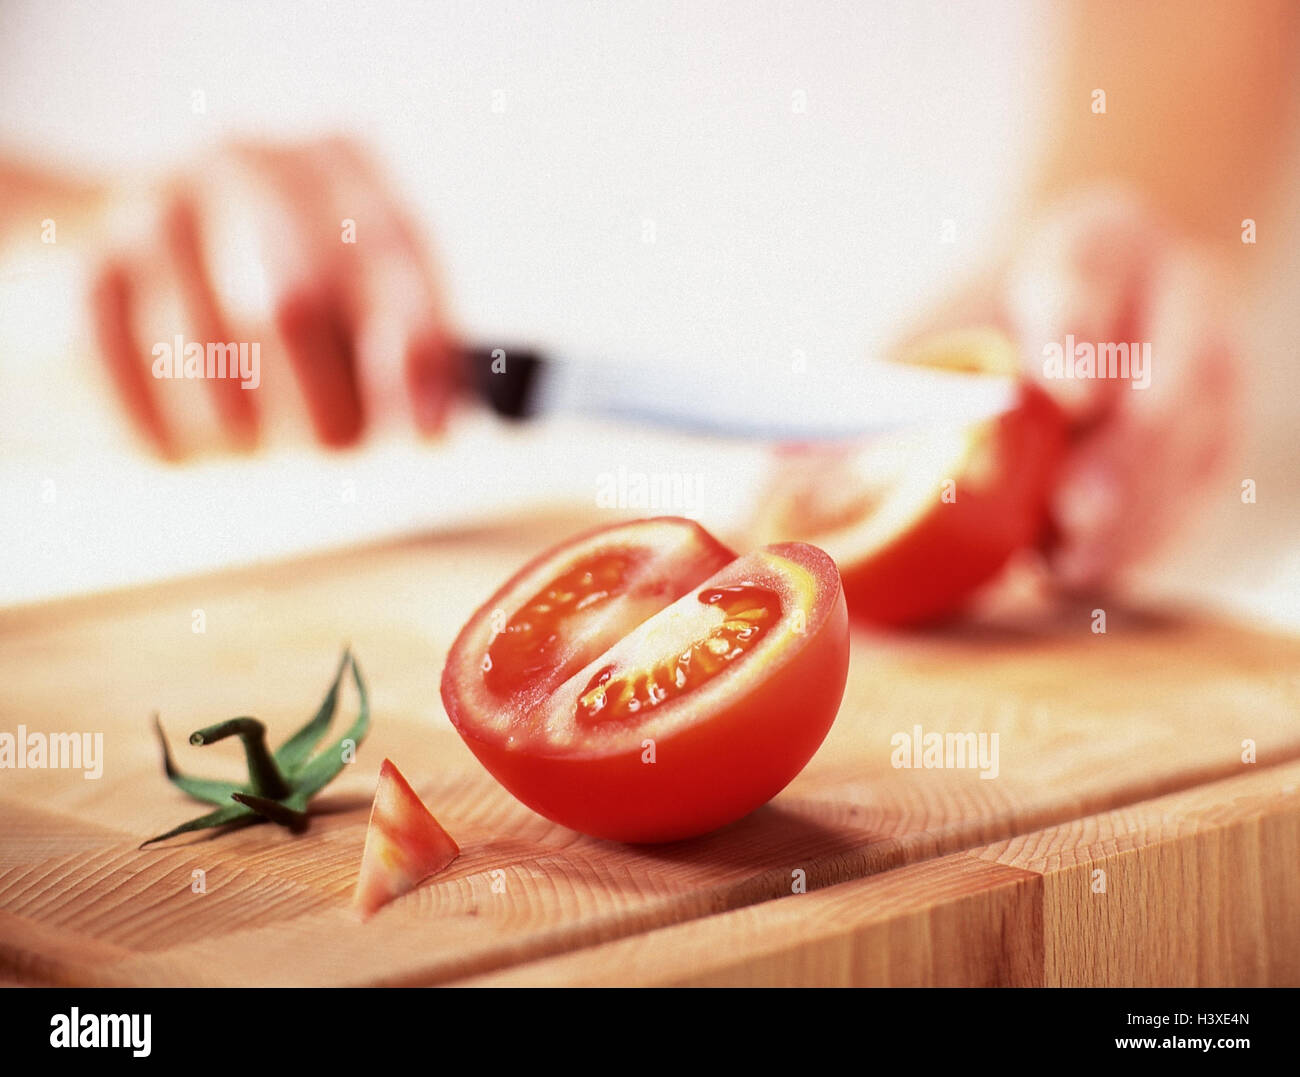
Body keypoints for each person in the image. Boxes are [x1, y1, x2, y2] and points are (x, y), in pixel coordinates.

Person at [0, 1, 1295, 592]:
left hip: (1175, 576)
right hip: (137, 547)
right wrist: (81, 243)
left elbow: (1186, 77)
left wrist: (1081, 299)